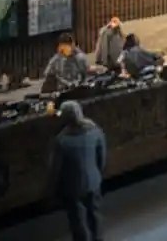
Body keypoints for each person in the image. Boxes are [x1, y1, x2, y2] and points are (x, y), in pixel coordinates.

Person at [48, 101, 106, 241]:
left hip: (72, 188)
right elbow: (101, 157)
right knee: (95, 216)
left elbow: (56, 169)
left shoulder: (61, 141)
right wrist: (97, 174)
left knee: (78, 222)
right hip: (93, 181)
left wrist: (53, 189)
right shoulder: (95, 131)